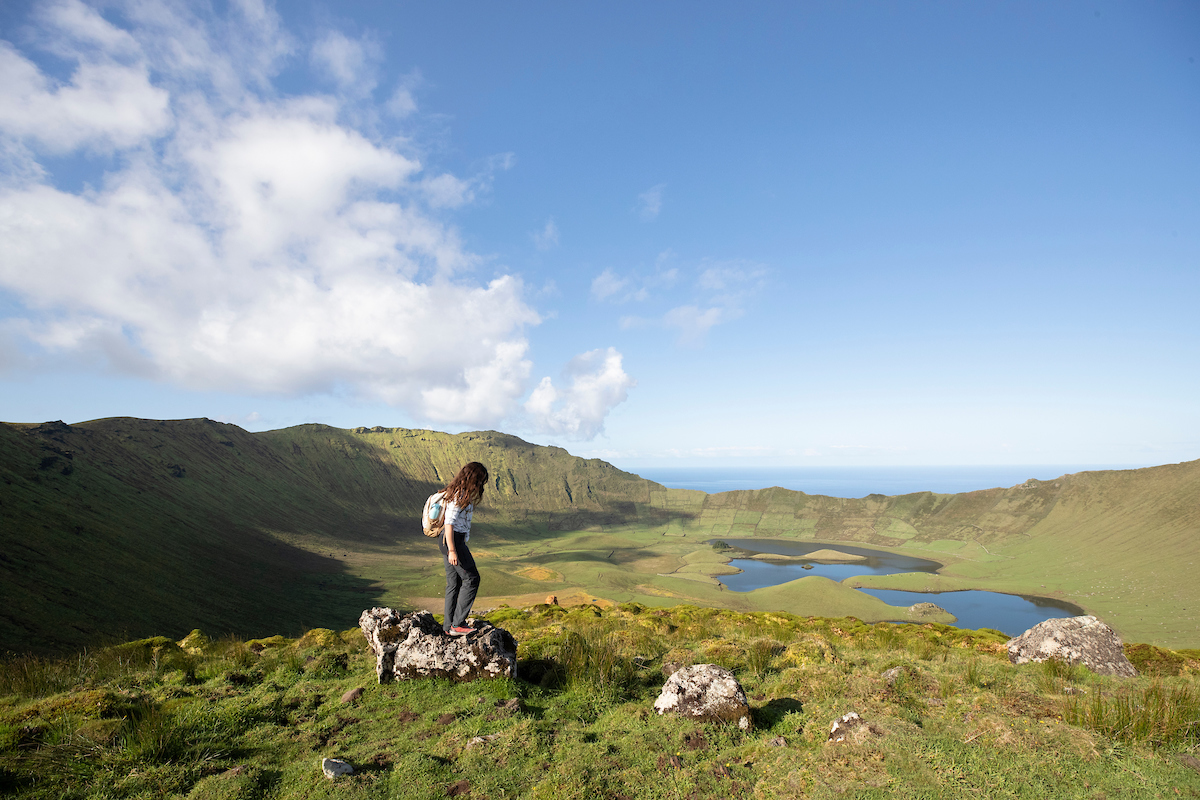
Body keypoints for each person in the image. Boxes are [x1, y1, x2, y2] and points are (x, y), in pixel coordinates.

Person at [438, 461, 488, 635]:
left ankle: (448, 626)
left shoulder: (456, 492)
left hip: (448, 541)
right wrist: (453, 550)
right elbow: (449, 523)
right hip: (453, 541)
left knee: (454, 583)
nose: (480, 485)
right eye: (480, 480)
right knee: (472, 579)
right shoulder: (459, 495)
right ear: (473, 478)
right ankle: (457, 624)